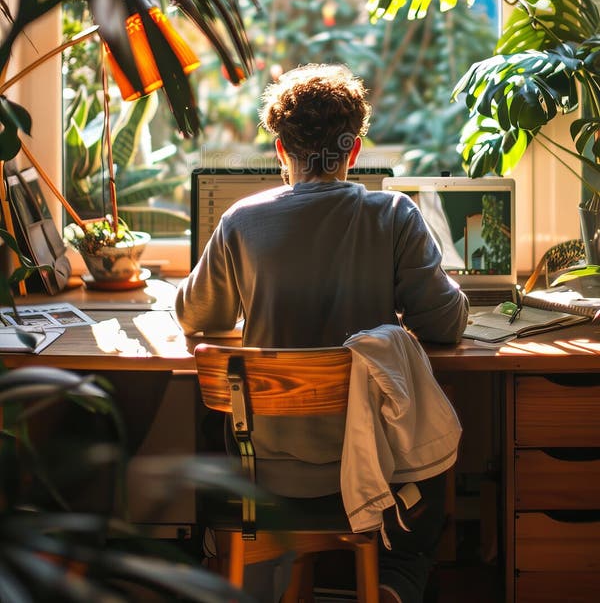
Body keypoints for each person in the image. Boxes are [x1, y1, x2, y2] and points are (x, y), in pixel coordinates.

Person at [176, 63, 469, 603]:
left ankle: (236, 567)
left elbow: (198, 321)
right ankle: (395, 579)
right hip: (373, 463)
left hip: (264, 470)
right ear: (353, 150)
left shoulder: (242, 220)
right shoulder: (395, 215)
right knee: (438, 463)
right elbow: (444, 323)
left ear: (281, 148)